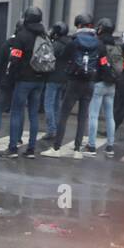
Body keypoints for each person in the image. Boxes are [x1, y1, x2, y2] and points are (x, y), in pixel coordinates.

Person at [50, 12, 100, 156]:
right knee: (83, 116)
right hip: (90, 82)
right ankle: (78, 149)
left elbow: (65, 56)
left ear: (79, 25)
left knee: (64, 114)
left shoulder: (75, 41)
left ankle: (57, 147)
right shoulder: (98, 42)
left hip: (74, 81)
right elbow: (101, 59)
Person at [3, 6, 50, 158]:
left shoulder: (21, 36)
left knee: (17, 112)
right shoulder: (45, 36)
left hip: (23, 80)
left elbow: (14, 59)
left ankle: (13, 148)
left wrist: (10, 76)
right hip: (40, 79)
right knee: (34, 115)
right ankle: (31, 149)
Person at [86, 17, 122, 157]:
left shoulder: (98, 44)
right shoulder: (116, 45)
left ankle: (92, 146)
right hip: (112, 85)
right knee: (109, 116)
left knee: (93, 115)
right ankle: (110, 147)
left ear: (101, 28)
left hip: (99, 83)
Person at [0, 21, 19, 143]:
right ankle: (17, 137)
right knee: (17, 110)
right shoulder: (26, 43)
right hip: (19, 81)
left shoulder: (7, 44)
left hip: (5, 80)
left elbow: (0, 63)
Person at [41, 22, 69, 148]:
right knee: (57, 105)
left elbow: (47, 58)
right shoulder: (69, 44)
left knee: (48, 104)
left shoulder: (56, 45)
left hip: (53, 77)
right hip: (64, 78)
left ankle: (51, 130)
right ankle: (57, 129)